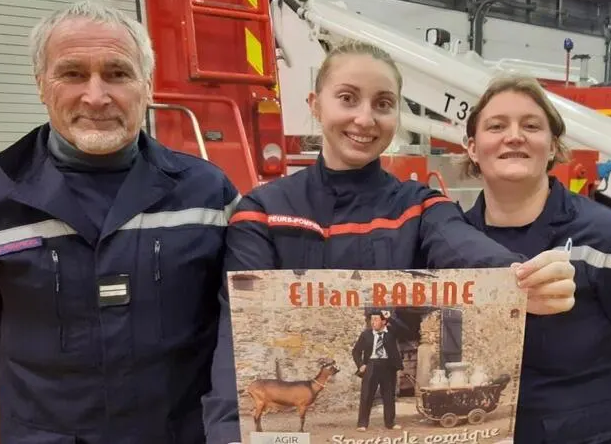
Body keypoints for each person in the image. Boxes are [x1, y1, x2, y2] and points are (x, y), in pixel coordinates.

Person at [201, 40, 578, 443]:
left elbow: (463, 246)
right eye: (348, 98)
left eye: (383, 104)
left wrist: (520, 277)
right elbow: (236, 342)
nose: (365, 119)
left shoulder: (420, 207)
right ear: (315, 105)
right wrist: (227, 433)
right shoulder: (263, 212)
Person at [0, 0, 239, 443]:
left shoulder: (209, 194)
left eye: (117, 74)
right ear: (41, 85)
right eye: (73, 74)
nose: (96, 97)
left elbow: (231, 324)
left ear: (147, 86)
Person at [461, 75, 611, 443]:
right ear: (472, 148)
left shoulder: (609, 239)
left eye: (531, 126)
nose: (514, 136)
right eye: (496, 126)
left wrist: (592, 399)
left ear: (552, 146)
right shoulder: (453, 241)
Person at [351, 310, 404, 431]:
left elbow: (404, 330)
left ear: (383, 322)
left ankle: (390, 423)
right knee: (366, 395)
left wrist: (390, 318)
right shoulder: (366, 334)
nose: (372, 322)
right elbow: (356, 351)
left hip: (388, 366)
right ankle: (362, 424)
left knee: (389, 396)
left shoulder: (391, 332)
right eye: (371, 320)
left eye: (376, 319)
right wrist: (360, 365)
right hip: (371, 365)